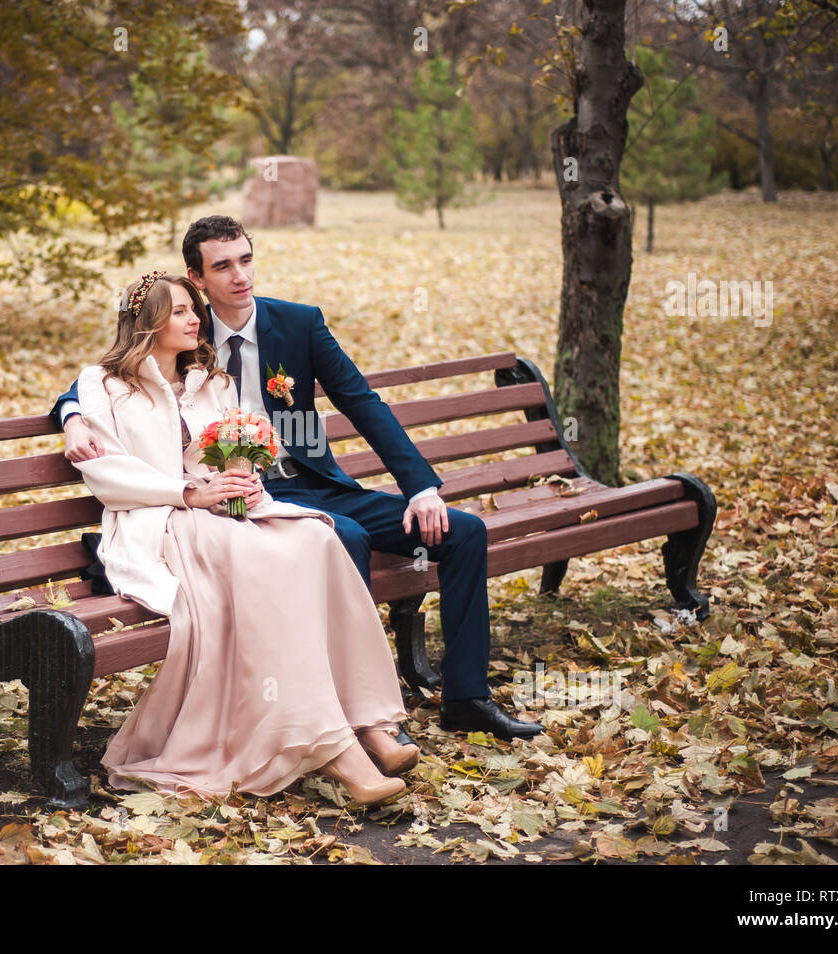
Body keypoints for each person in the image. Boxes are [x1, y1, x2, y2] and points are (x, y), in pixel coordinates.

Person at [54, 216, 543, 740]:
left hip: (313, 481)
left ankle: (466, 697)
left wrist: (420, 487)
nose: (240, 275)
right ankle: (350, 710)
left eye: (246, 259)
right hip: (239, 498)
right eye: (223, 266)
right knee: (343, 538)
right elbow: (108, 374)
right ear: (197, 279)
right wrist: (71, 415)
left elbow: (361, 401)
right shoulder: (188, 337)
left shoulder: (298, 324)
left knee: (463, 532)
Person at [67, 269, 419, 804]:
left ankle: (369, 720)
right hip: (157, 520)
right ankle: (340, 752)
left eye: (193, 309)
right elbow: (107, 476)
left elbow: (232, 452)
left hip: (222, 513)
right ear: (148, 321)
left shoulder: (209, 381)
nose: (195, 318)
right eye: (181, 310)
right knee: (264, 564)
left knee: (318, 540)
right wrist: (188, 493)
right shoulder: (102, 385)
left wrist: (244, 480)